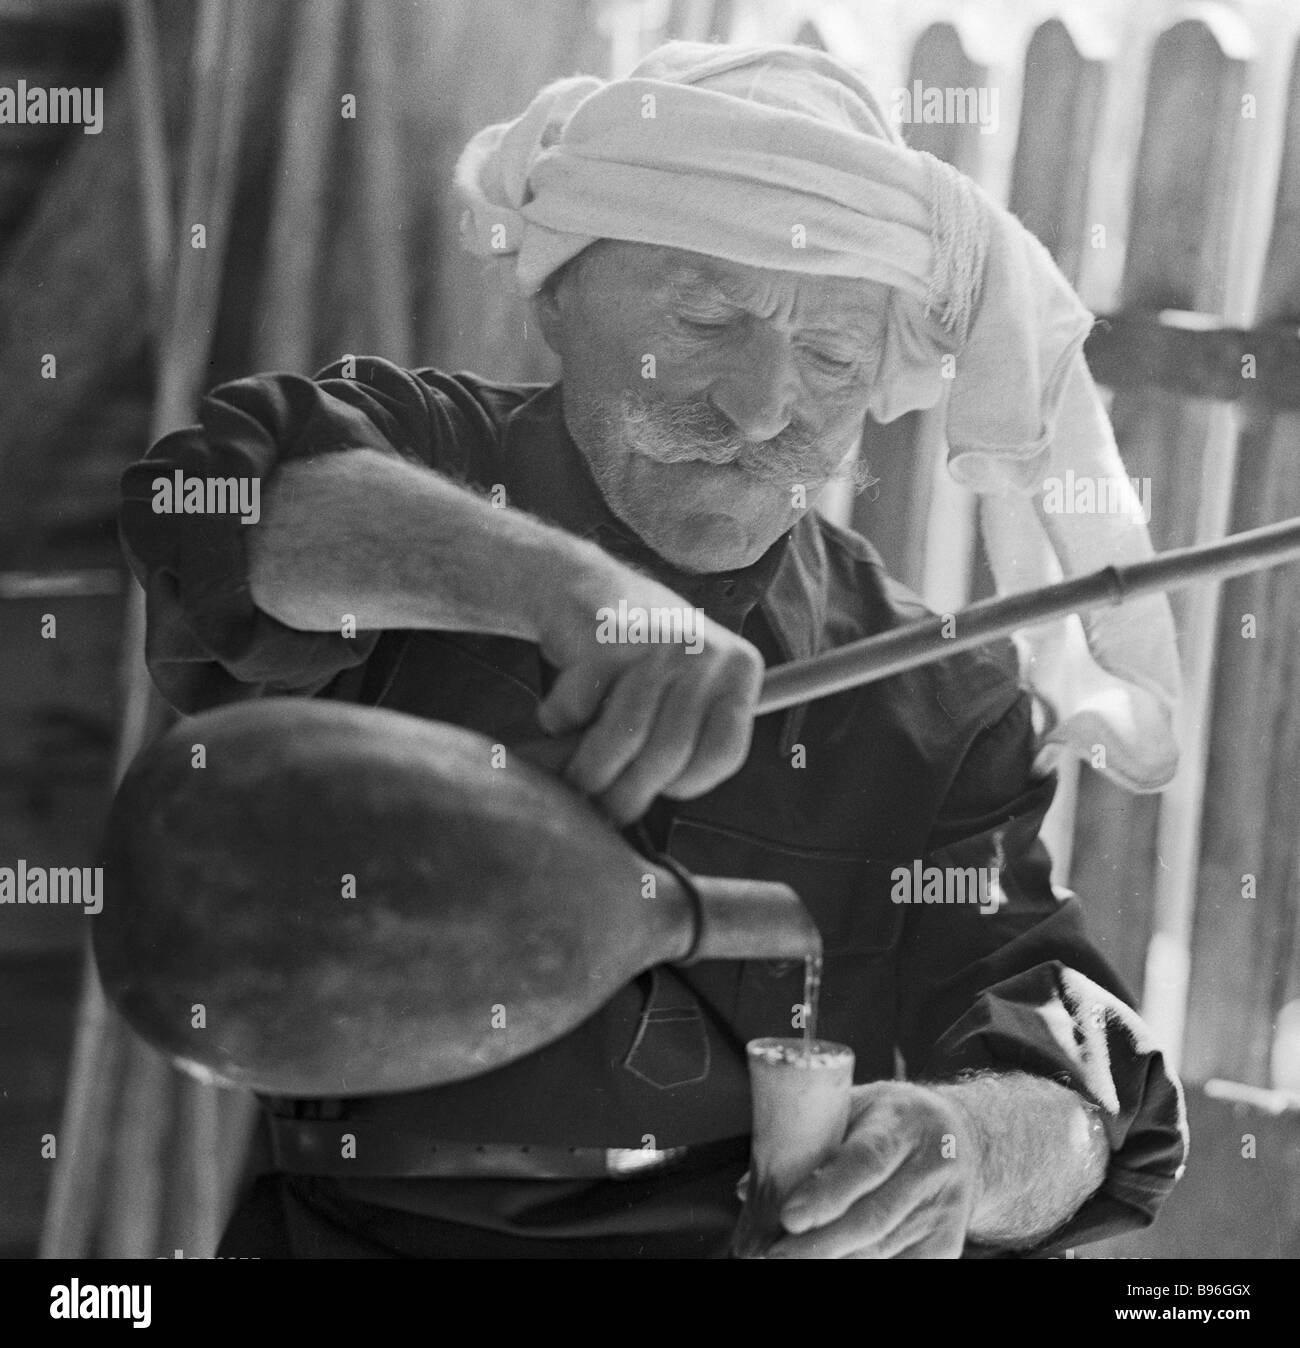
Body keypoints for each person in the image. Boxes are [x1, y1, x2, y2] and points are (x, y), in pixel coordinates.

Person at [118, 41, 1186, 1259]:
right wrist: (565, 593)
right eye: (705, 315)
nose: (762, 406)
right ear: (559, 293)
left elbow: (1083, 1075)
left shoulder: (933, 696)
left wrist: (966, 1149)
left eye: (832, 354)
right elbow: (212, 510)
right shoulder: (426, 461)